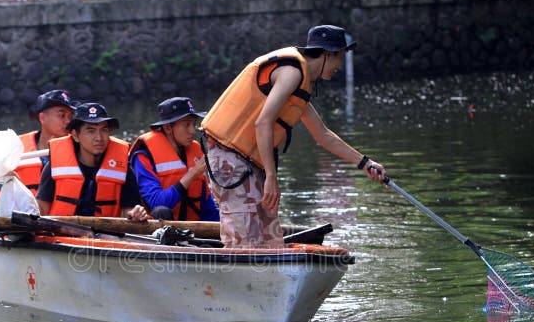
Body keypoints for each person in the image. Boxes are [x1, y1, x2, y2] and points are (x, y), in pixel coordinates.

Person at [201, 24, 388, 248]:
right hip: (229, 160)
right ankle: (238, 278)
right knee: (244, 243)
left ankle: (274, 280)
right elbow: (263, 122)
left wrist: (365, 162)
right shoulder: (291, 72)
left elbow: (323, 135)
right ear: (327, 54)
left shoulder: (301, 84)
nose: (340, 65)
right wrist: (271, 176)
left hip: (251, 164)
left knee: (271, 242)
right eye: (339, 57)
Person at [0, 89, 75, 207]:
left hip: (67, 222)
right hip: (25, 223)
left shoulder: (82, 149)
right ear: (42, 118)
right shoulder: (15, 150)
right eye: (62, 116)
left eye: (70, 117)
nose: (68, 121)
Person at [35, 102, 147, 220]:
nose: (99, 138)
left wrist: (136, 214)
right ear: (75, 136)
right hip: (60, 234)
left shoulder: (123, 168)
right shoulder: (54, 166)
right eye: (90, 131)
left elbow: (130, 210)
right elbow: (41, 209)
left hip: (105, 235)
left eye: (104, 130)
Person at [129, 97, 219, 222]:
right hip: (155, 232)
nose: (193, 131)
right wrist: (193, 173)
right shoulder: (144, 156)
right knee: (161, 211)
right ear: (168, 128)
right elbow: (157, 203)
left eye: (194, 124)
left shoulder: (195, 150)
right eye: (187, 125)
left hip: (195, 230)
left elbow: (208, 207)